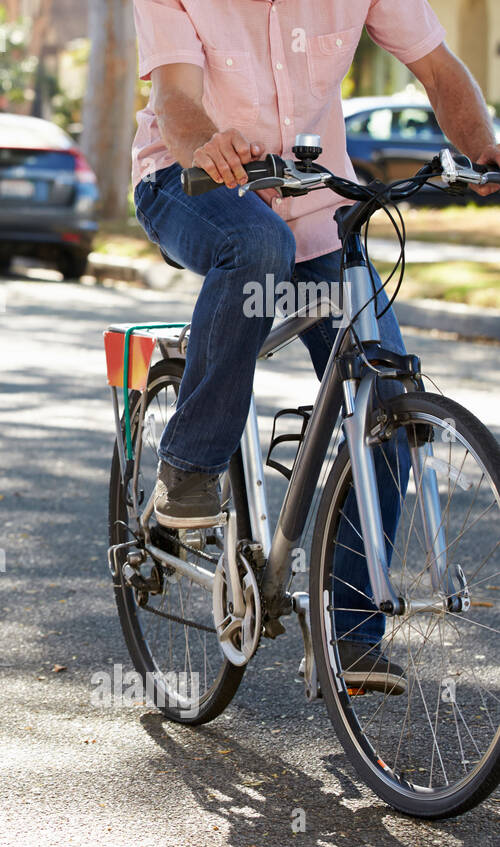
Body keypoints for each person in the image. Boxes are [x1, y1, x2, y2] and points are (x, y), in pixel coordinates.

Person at [131, 0, 500, 694]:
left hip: (319, 203)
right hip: (191, 182)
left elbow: (437, 67)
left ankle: (350, 637)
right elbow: (175, 98)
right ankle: (189, 464)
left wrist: (483, 144)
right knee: (256, 244)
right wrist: (209, 143)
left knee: (390, 398)